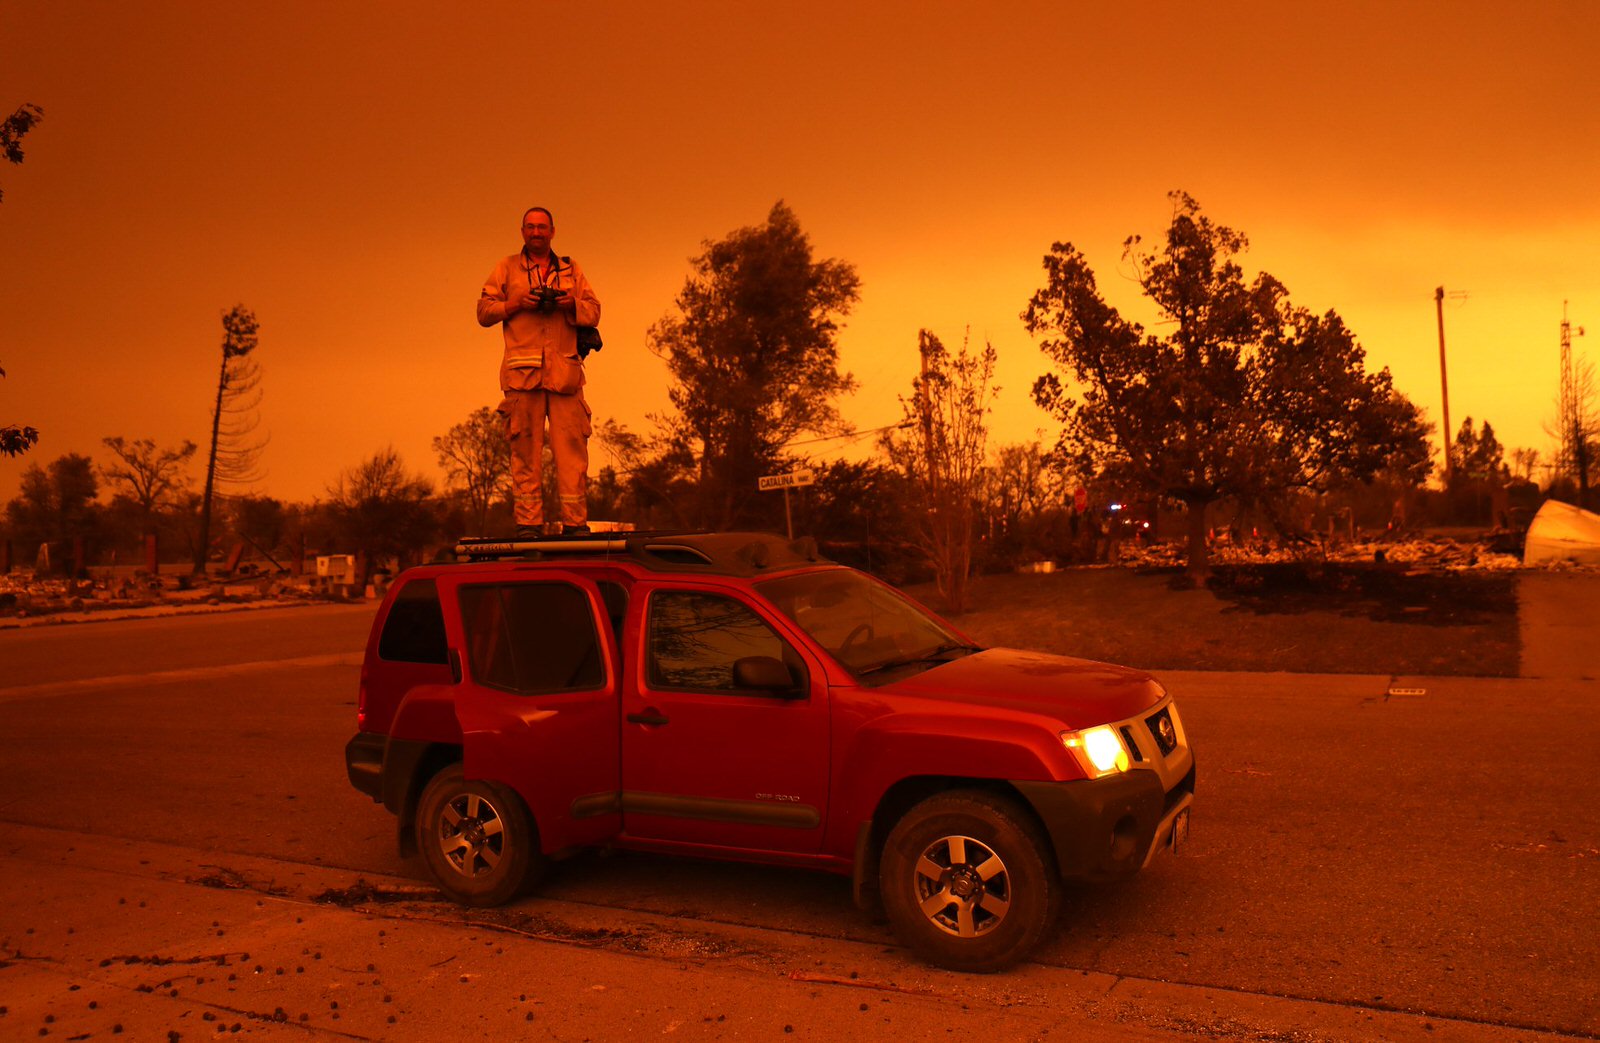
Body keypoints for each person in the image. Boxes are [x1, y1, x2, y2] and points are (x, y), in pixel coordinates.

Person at [477, 207, 601, 537]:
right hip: (522, 377)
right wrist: (516, 303)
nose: (536, 232)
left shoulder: (570, 270)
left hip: (565, 376)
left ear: (552, 232)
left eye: (542, 227)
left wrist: (569, 303)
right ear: (522, 231)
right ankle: (528, 525)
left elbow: (594, 310)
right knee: (524, 453)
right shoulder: (506, 268)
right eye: (530, 227)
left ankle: (575, 524)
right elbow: (483, 312)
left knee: (573, 453)